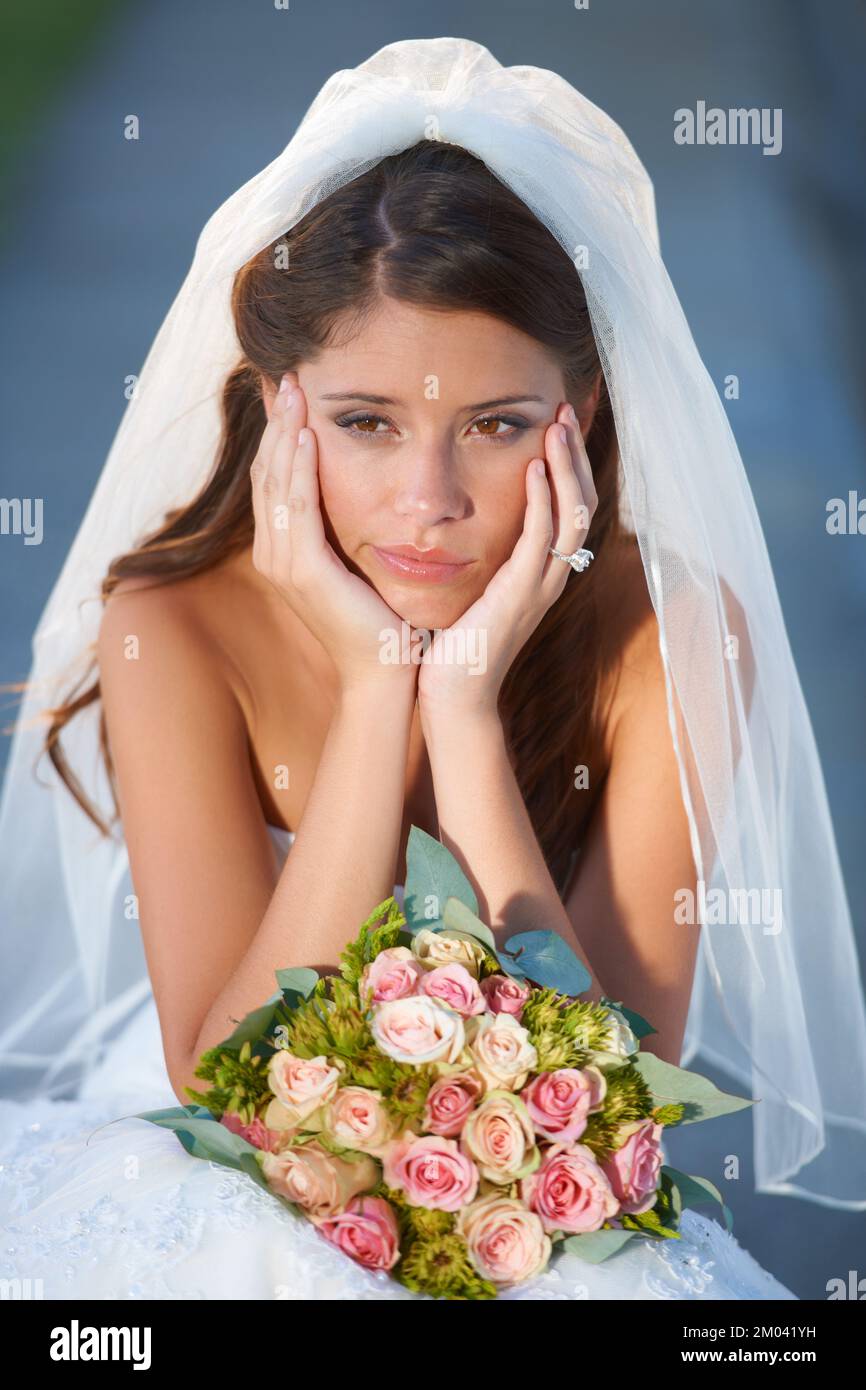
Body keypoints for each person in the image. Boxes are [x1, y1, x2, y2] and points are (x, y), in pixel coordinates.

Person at [0, 36, 861, 1300]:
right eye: (364, 424)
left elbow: (622, 1104)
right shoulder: (173, 624)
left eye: (498, 426)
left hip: (543, 1206)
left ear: (587, 416)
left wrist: (460, 709)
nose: (428, 501)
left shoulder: (668, 634)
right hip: (235, 1166)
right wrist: (370, 689)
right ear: (277, 404)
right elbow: (226, 1082)